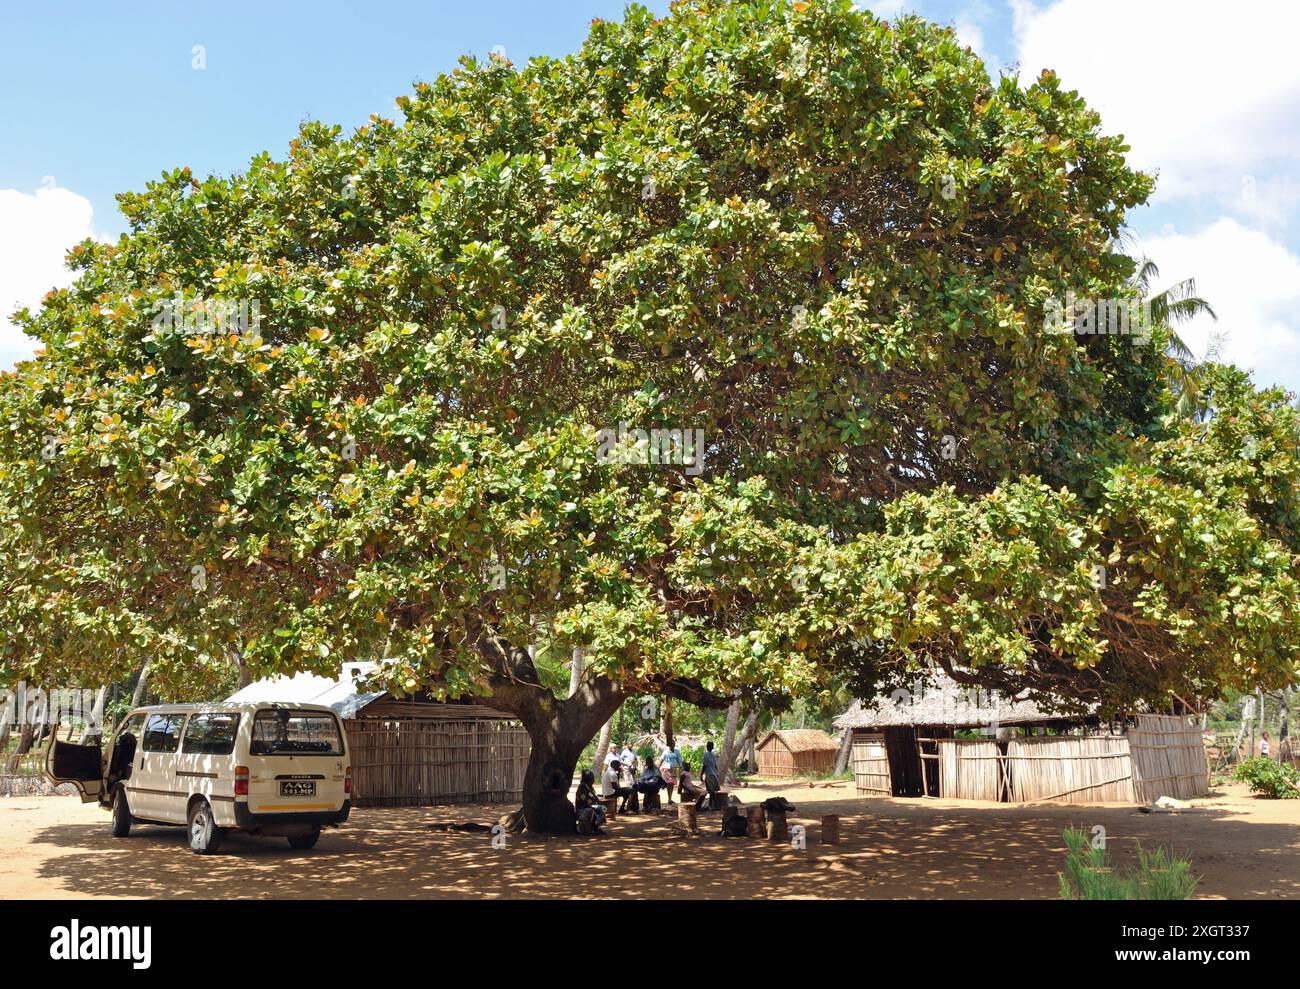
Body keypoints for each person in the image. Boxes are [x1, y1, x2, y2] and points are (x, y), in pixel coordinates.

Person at [574, 769, 607, 834]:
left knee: (602, 808)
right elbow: (582, 801)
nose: (593, 780)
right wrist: (593, 805)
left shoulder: (588, 787)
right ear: (588, 779)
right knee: (593, 810)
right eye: (592, 778)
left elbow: (592, 797)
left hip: (589, 806)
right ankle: (592, 828)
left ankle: (596, 827)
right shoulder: (583, 787)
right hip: (582, 809)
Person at [699, 740, 721, 810]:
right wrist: (717, 773)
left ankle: (717, 806)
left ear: (707, 746)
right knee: (712, 791)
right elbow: (715, 765)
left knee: (712, 791)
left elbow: (704, 766)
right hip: (714, 774)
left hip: (709, 774)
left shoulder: (705, 755)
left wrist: (701, 774)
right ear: (712, 747)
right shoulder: (714, 755)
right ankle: (710, 806)